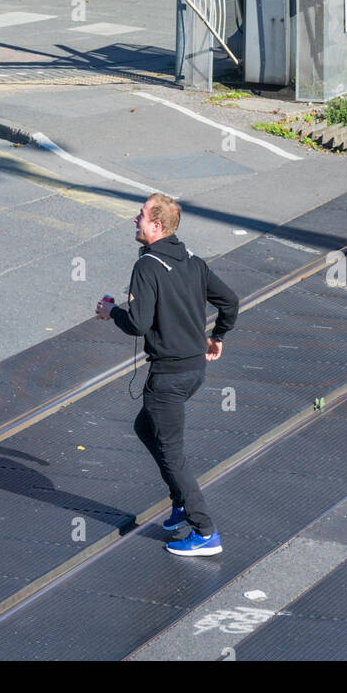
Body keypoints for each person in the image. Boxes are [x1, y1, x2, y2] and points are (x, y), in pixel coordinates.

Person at [96, 193, 238, 557]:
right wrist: (217, 336)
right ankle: (179, 507)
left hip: (169, 377)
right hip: (194, 370)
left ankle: (205, 531)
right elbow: (230, 301)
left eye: (140, 216)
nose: (135, 220)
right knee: (146, 428)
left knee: (173, 454)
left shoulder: (147, 267)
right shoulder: (192, 261)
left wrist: (111, 312)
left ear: (156, 226)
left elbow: (139, 323)